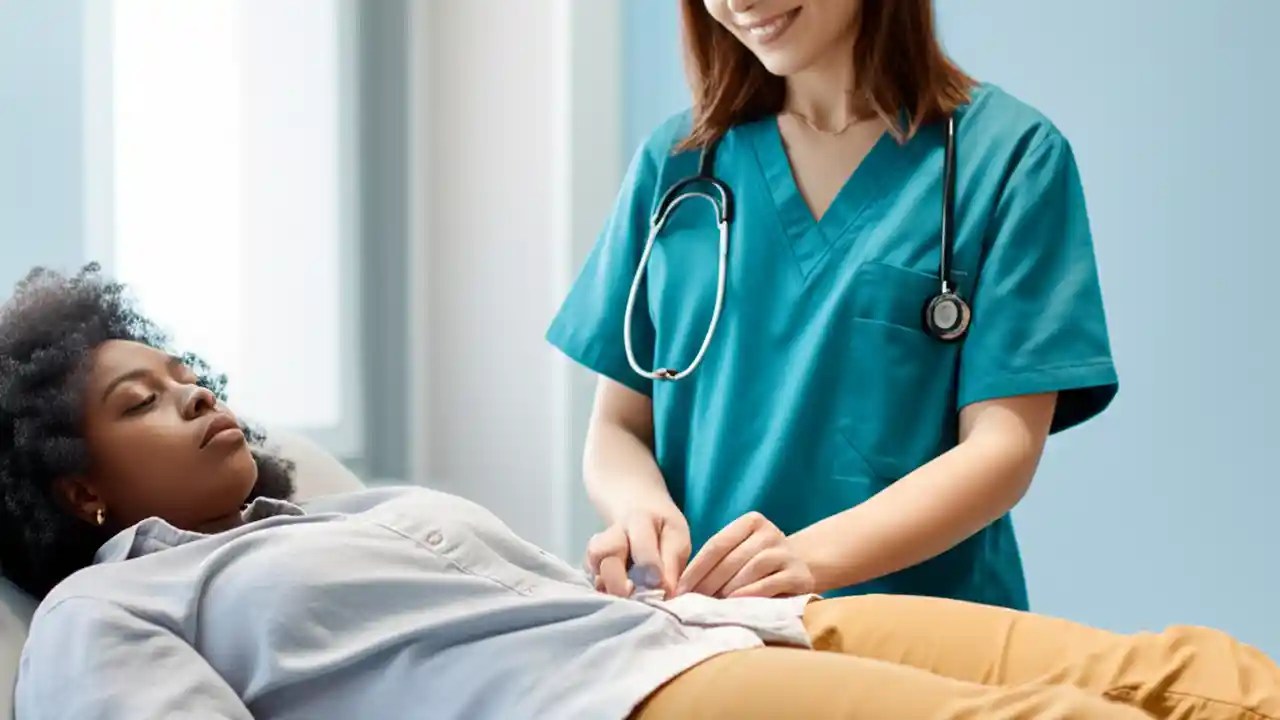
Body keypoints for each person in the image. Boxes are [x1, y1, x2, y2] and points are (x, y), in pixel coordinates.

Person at [0, 267, 1276, 720]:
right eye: (141, 403)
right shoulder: (106, 616)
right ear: (79, 487)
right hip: (634, 699)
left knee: (1175, 670)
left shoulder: (331, 516)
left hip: (696, 623)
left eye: (188, 375)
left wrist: (601, 564)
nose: (198, 397)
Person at [547, 0, 1118, 609]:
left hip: (921, 652)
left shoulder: (1008, 159)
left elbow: (1002, 451)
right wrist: (642, 512)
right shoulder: (679, 163)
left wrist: (806, 560)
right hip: (709, 641)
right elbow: (618, 427)